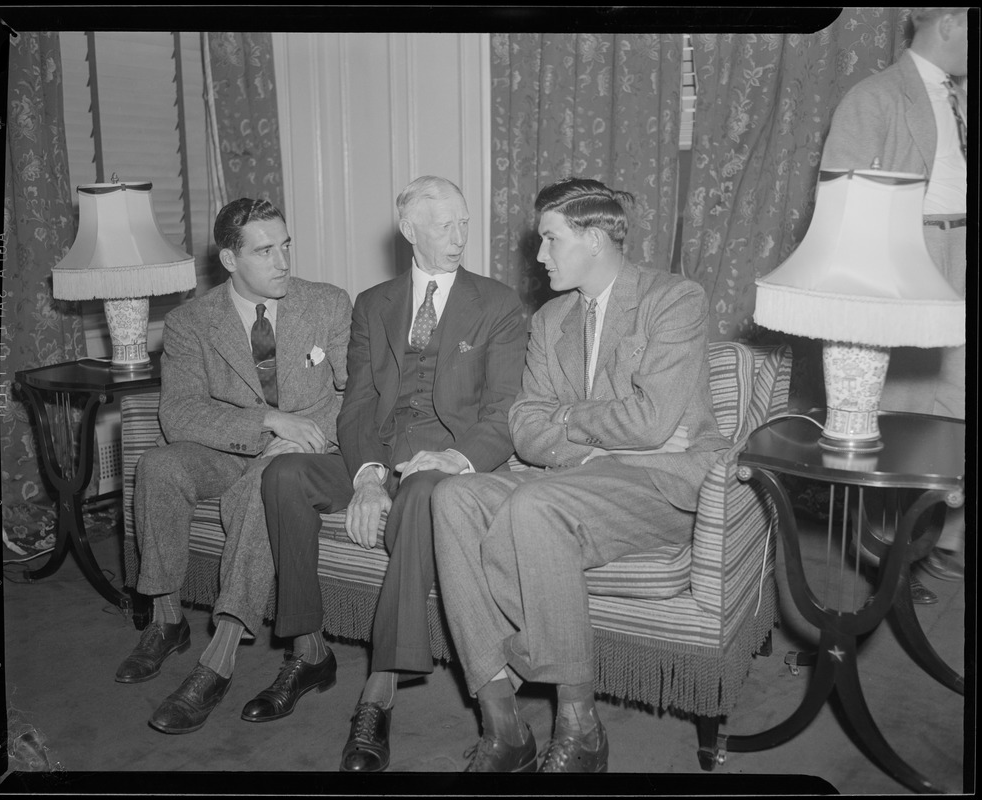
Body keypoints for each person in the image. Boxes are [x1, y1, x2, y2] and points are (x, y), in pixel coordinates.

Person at [431, 177, 729, 772]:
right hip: (583, 476)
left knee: (536, 508)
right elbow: (526, 427)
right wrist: (592, 446)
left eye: (549, 239)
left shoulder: (674, 299)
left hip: (661, 486)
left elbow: (653, 422)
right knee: (453, 497)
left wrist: (569, 420)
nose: (538, 256)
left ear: (594, 238)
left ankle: (579, 724)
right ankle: (504, 723)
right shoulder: (548, 320)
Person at [258, 175, 527, 772]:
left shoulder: (499, 303)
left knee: (425, 493)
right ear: (409, 230)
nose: (459, 236)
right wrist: (369, 476)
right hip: (381, 455)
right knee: (284, 478)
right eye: (443, 225)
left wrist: (452, 460)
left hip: (451, 463)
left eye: (463, 222)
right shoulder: (373, 303)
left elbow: (504, 412)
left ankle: (377, 692)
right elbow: (355, 404)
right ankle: (307, 649)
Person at [115, 198, 352, 735]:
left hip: (303, 452)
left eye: (285, 245)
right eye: (265, 251)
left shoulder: (328, 304)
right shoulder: (190, 321)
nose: (283, 261)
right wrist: (268, 420)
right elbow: (178, 412)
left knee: (261, 487)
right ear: (228, 259)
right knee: (158, 466)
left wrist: (303, 437)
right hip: (226, 449)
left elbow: (354, 393)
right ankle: (166, 618)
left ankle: (219, 657)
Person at [820, 7, 968, 591]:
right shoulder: (875, 95)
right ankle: (886, 562)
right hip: (912, 257)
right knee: (900, 417)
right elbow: (841, 201)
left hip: (962, 251)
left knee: (956, 406)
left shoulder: (957, 96)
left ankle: (940, 541)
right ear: (951, 22)